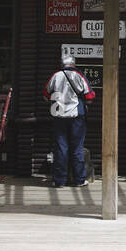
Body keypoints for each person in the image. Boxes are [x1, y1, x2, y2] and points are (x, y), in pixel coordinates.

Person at [43, 55, 95, 187]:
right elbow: (90, 95)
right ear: (73, 64)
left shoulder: (55, 76)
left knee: (61, 148)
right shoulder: (79, 76)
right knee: (77, 148)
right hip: (77, 116)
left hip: (59, 115)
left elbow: (46, 94)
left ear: (62, 64)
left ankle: (59, 181)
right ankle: (79, 180)